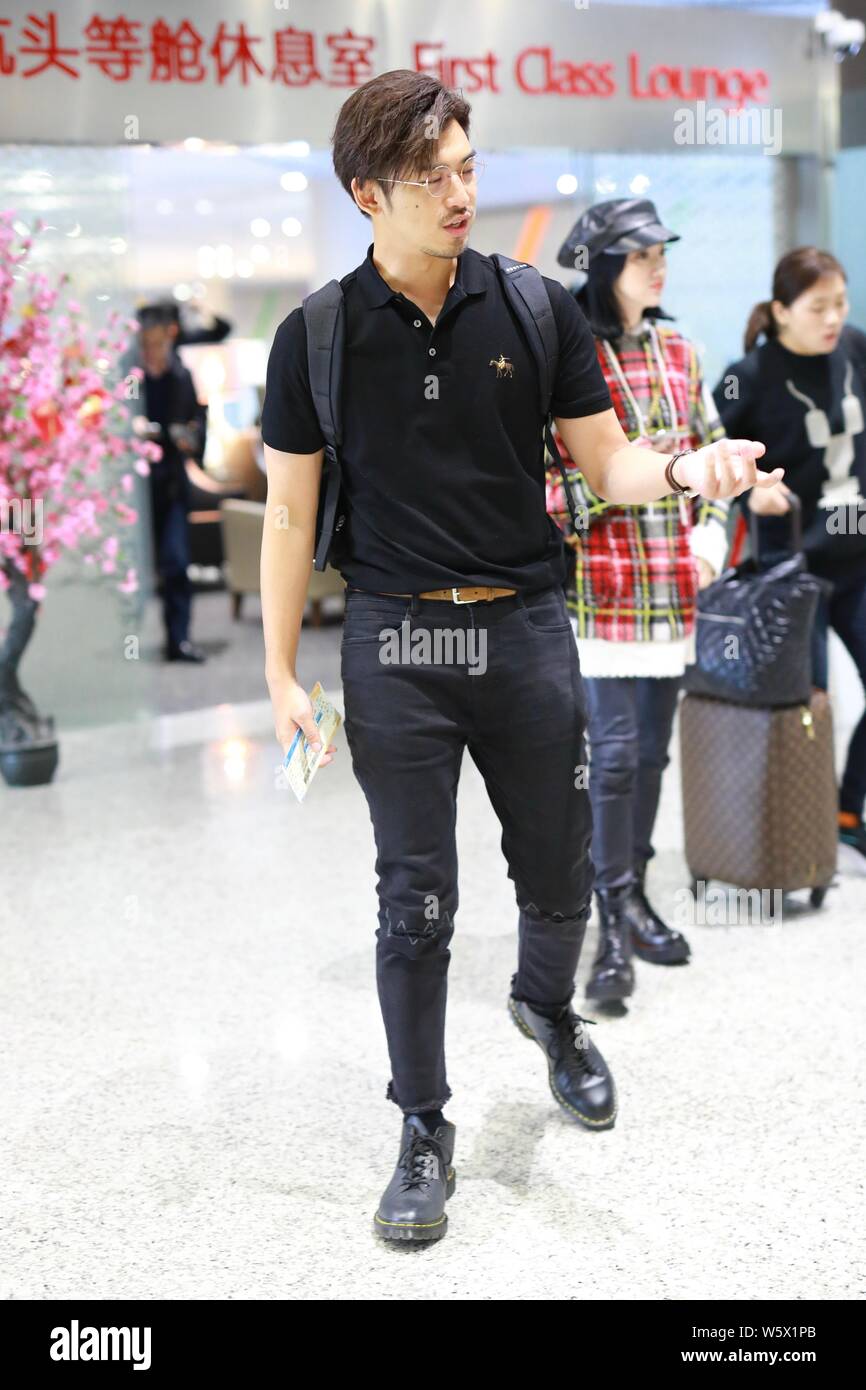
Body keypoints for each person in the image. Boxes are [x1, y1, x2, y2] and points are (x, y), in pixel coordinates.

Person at [259, 68, 780, 1244]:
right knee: (413, 900)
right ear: (364, 192)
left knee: (558, 878)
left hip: (526, 628)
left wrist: (690, 469)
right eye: (428, 177)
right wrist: (279, 672)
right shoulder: (317, 337)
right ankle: (421, 1124)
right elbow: (290, 517)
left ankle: (545, 1009)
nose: (457, 192)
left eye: (465, 166)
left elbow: (610, 466)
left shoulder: (536, 311)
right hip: (395, 638)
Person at [549, 199, 730, 1004]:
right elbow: (548, 490)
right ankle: (612, 922)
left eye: (661, 252)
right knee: (615, 758)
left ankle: (633, 893)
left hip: (673, 586)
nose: (657, 267)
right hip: (604, 593)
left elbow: (716, 452)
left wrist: (710, 538)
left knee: (651, 756)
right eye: (640, 255)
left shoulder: (681, 347)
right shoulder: (570, 355)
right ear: (599, 264)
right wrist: (627, 482)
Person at [713, 247, 866, 871]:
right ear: (780, 311)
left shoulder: (854, 347)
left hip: (860, 561)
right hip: (791, 570)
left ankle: (847, 811)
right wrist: (753, 489)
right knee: (807, 711)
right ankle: (799, 837)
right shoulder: (746, 376)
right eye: (818, 307)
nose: (833, 318)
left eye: (840, 303)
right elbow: (713, 461)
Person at [133, 303, 209, 662]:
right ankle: (133, 641)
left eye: (159, 343)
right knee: (138, 568)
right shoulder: (133, 381)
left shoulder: (181, 376)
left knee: (177, 562)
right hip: (137, 489)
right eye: (149, 344)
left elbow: (196, 422)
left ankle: (178, 639)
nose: (155, 351)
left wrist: (188, 437)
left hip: (172, 482)